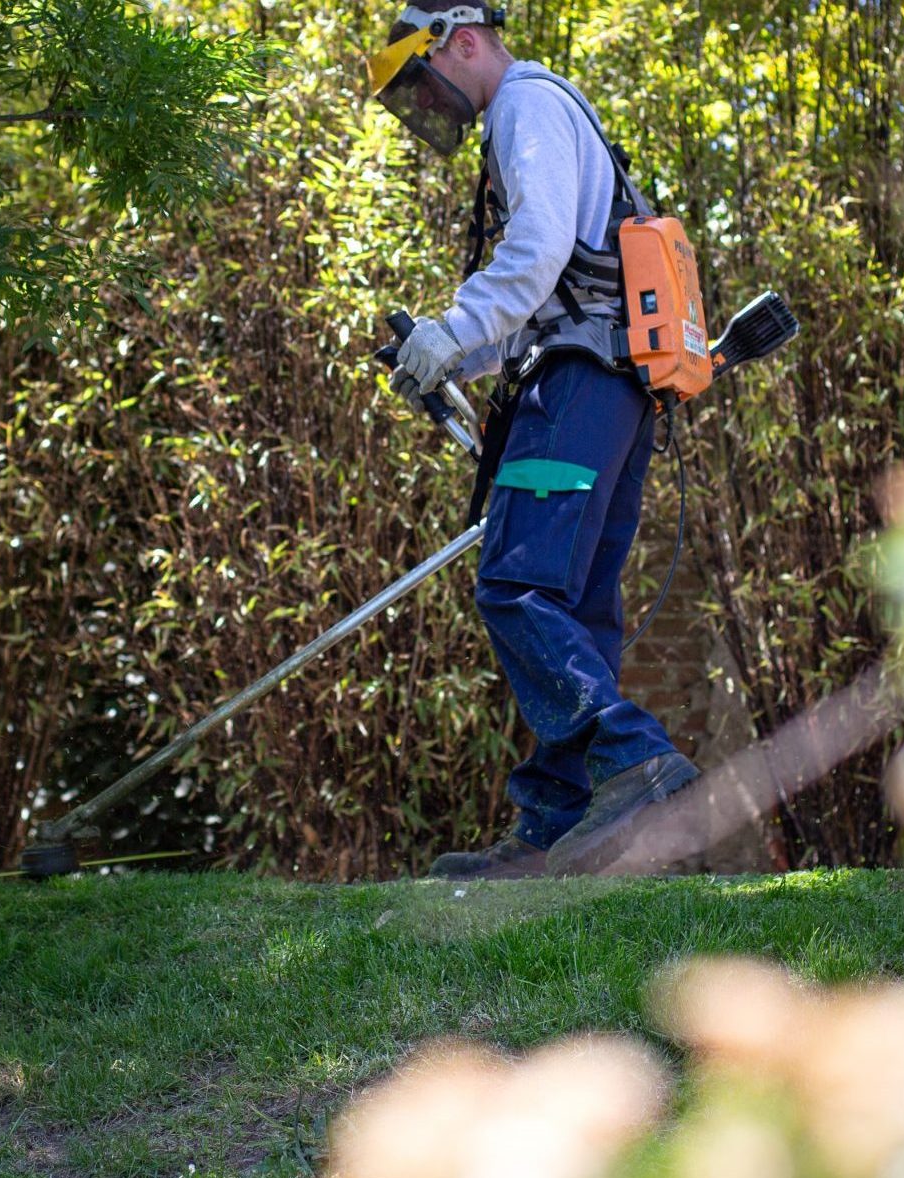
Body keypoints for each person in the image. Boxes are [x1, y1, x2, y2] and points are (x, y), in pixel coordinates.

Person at [367, 4, 702, 878]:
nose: (424, 105)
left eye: (422, 81)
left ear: (461, 40)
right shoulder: (542, 110)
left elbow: (539, 248)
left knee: (516, 584)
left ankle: (634, 757)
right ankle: (554, 823)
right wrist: (449, 355)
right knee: (575, 607)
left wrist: (451, 328)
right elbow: (554, 293)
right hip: (613, 390)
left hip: (577, 388)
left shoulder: (525, 103)